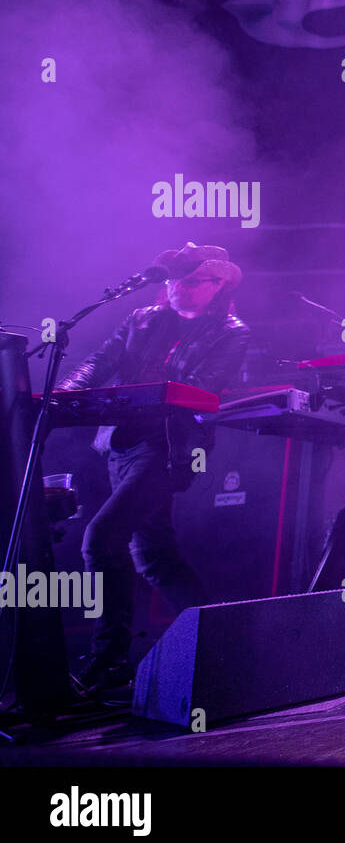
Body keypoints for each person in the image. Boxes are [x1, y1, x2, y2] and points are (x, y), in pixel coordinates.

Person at [56, 243, 251, 696]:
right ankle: (223, 644)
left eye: (188, 281)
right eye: (171, 280)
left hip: (167, 448)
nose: (175, 288)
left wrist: (137, 398)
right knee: (155, 557)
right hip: (121, 445)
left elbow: (201, 390)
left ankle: (109, 659)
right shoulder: (142, 318)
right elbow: (97, 362)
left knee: (101, 539)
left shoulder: (231, 331)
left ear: (217, 285)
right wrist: (67, 391)